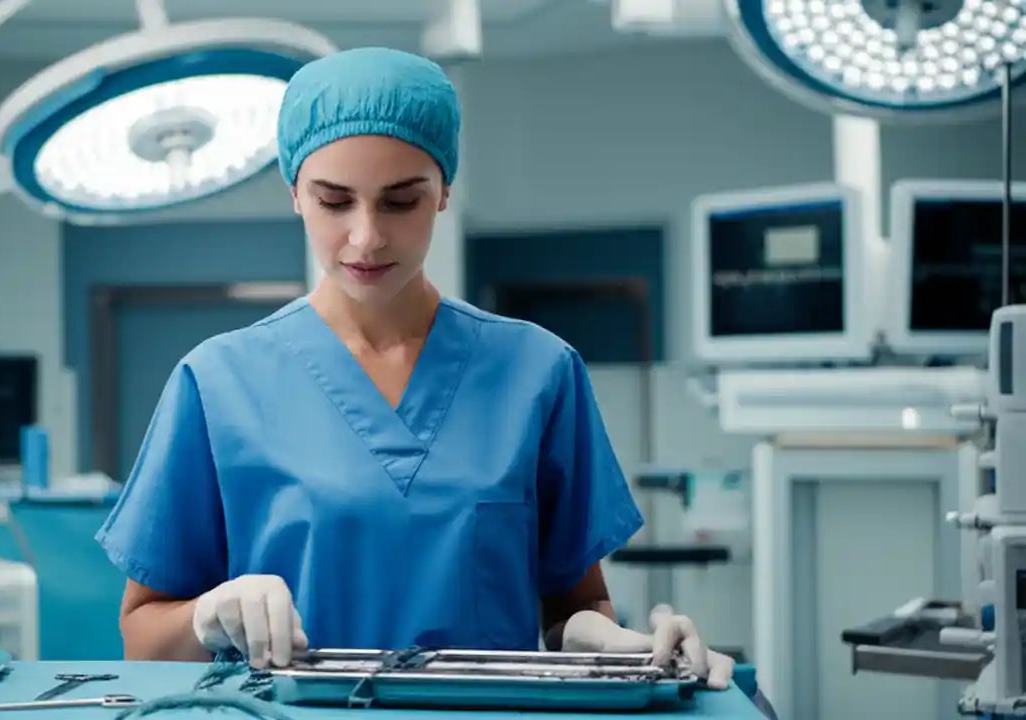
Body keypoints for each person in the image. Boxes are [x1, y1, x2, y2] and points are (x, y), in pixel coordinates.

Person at [95, 46, 735, 690]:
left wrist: (617, 642)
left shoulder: (539, 371)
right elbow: (143, 636)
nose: (366, 237)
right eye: (334, 201)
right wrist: (209, 616)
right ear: (295, 194)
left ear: (444, 193)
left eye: (400, 202)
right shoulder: (217, 383)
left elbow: (570, 609)